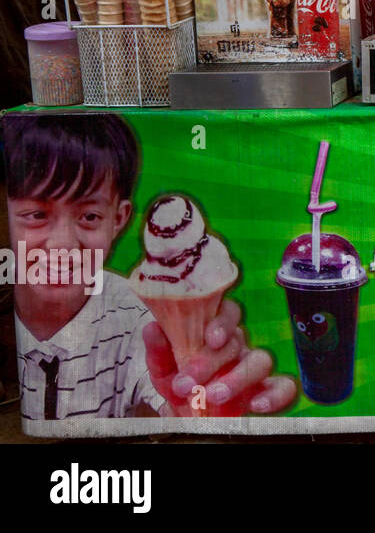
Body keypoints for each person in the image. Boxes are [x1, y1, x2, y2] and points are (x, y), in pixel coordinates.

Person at [5, 112, 295, 421]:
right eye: (36, 214)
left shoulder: (138, 319)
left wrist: (205, 401)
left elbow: (177, 406)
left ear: (119, 218)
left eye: (89, 216)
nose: (62, 245)